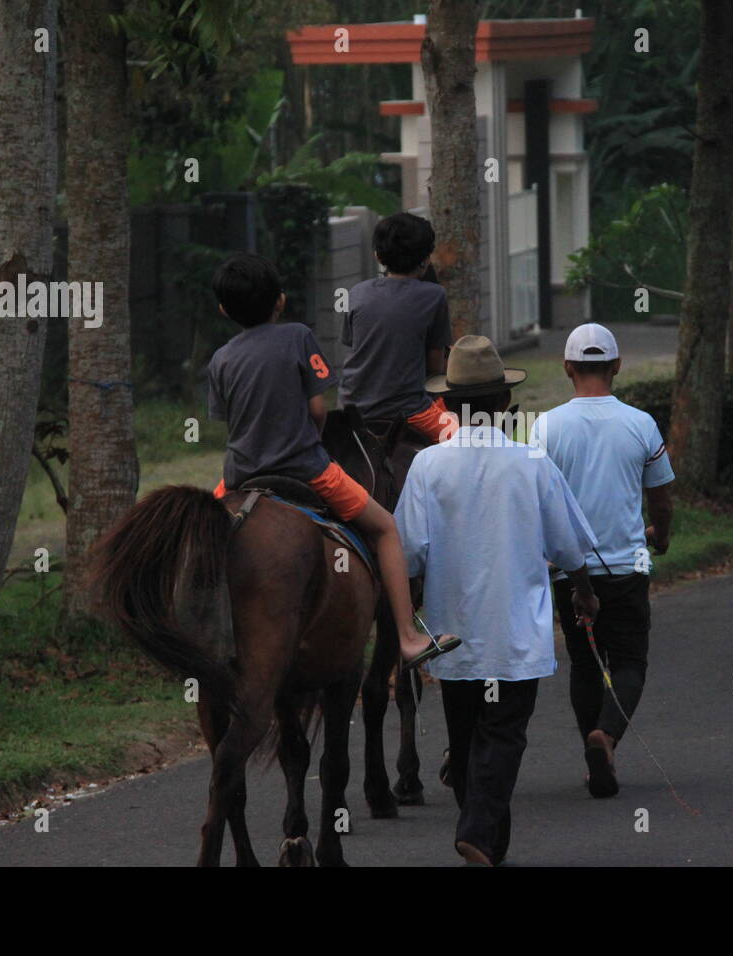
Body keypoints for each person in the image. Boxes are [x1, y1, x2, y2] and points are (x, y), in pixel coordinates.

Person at [394, 334, 600, 866]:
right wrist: (584, 589)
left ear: (445, 405)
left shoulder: (427, 468)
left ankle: (486, 841)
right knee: (503, 737)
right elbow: (570, 546)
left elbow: (409, 555)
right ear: (505, 403)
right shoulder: (531, 461)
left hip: (452, 634)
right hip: (513, 636)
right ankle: (479, 834)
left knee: (464, 740)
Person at [205, 252, 457, 670]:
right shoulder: (299, 336)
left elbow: (230, 421)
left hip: (240, 477)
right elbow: (319, 410)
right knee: (386, 529)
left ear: (224, 310)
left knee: (206, 536)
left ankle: (212, 641)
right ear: (280, 301)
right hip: (308, 469)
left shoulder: (221, 359)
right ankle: (410, 639)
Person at [529, 323, 675, 798]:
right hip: (626, 568)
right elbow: (660, 498)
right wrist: (662, 536)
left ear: (567, 367)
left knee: (585, 664)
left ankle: (595, 761)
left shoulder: (545, 426)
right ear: (617, 366)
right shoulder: (641, 425)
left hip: (570, 573)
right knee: (630, 661)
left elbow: (540, 502)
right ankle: (606, 737)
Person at [338, 212, 457, 443]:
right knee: (468, 446)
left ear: (377, 256)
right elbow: (434, 370)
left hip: (350, 409)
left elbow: (354, 347)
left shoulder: (357, 293)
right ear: (426, 259)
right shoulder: (434, 296)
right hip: (411, 411)